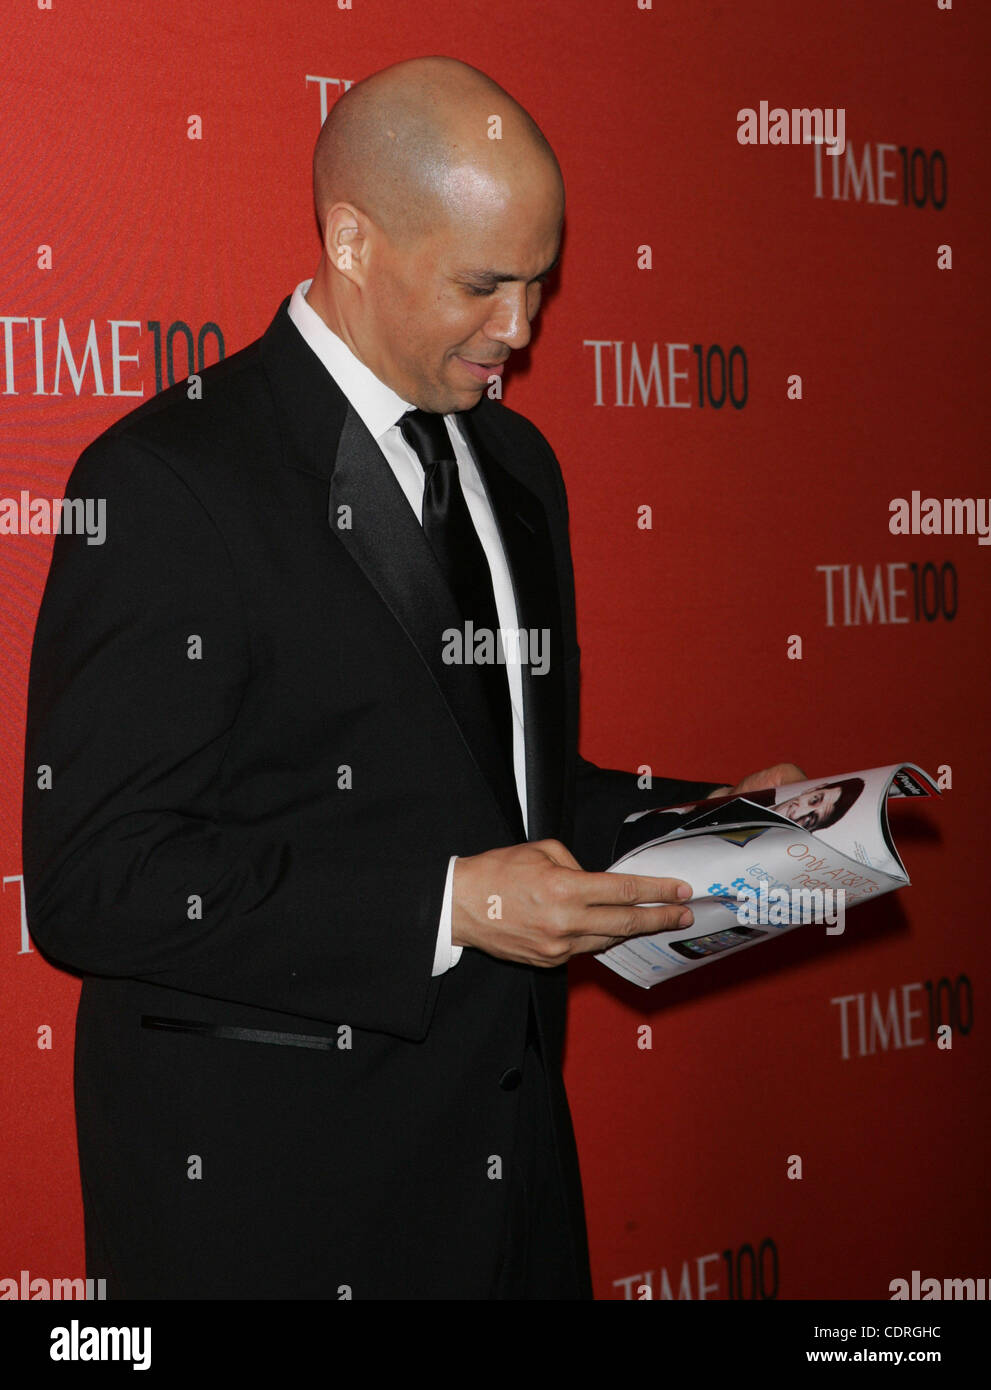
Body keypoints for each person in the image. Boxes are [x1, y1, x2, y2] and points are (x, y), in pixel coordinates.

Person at [21, 55, 802, 1300]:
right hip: (272, 1209)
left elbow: (504, 797)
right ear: (352, 239)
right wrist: (446, 908)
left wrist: (708, 826)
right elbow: (94, 881)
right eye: (483, 284)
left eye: (539, 282)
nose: (521, 329)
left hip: (511, 1181)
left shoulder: (519, 466)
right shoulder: (171, 478)